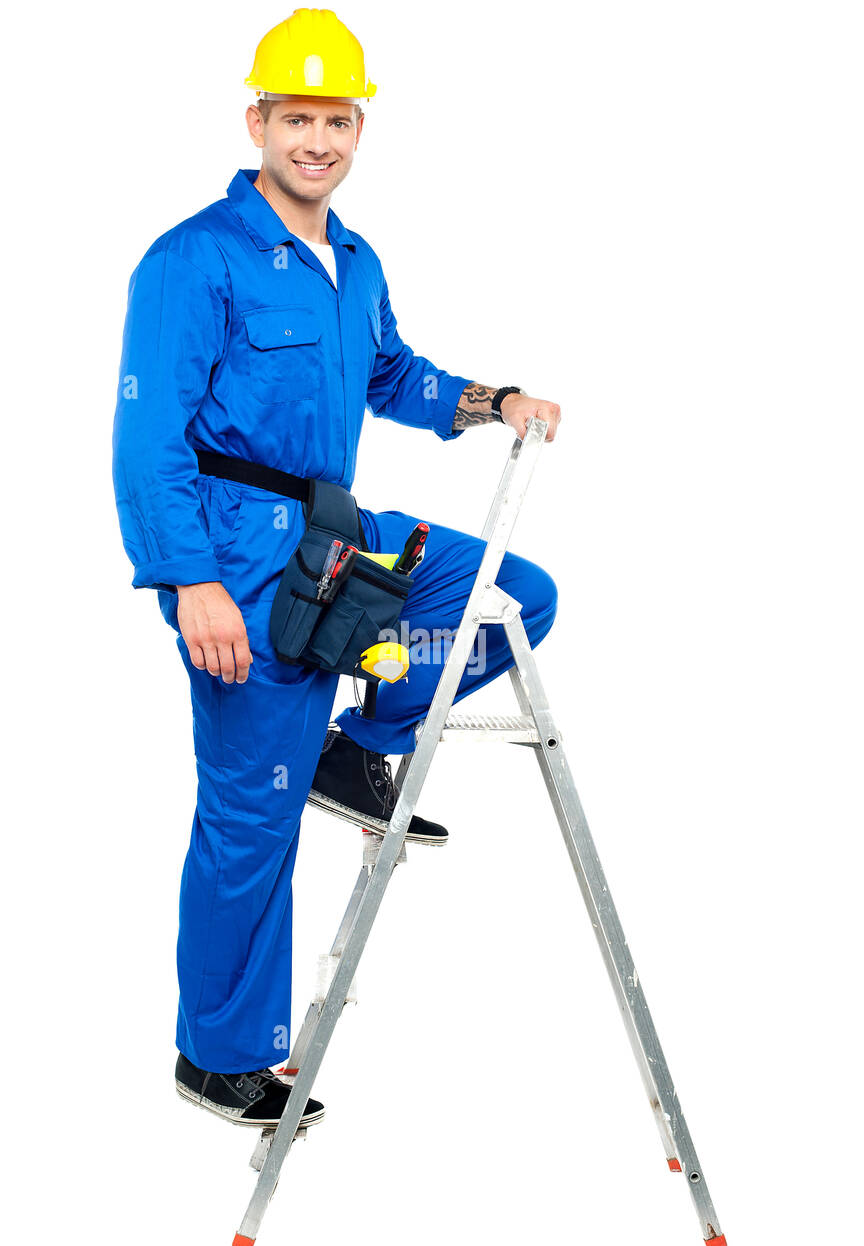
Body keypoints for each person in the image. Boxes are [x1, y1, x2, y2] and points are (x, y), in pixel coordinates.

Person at [112, 9, 562, 1131]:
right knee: (249, 815)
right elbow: (147, 439)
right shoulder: (191, 259)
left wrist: (491, 402)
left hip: (336, 545)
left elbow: (395, 375)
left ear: (358, 127)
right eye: (297, 117)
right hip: (242, 575)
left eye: (337, 119)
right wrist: (190, 583)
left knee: (509, 599)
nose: (318, 139)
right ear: (256, 119)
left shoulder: (353, 263)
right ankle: (218, 1054)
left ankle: (362, 747)